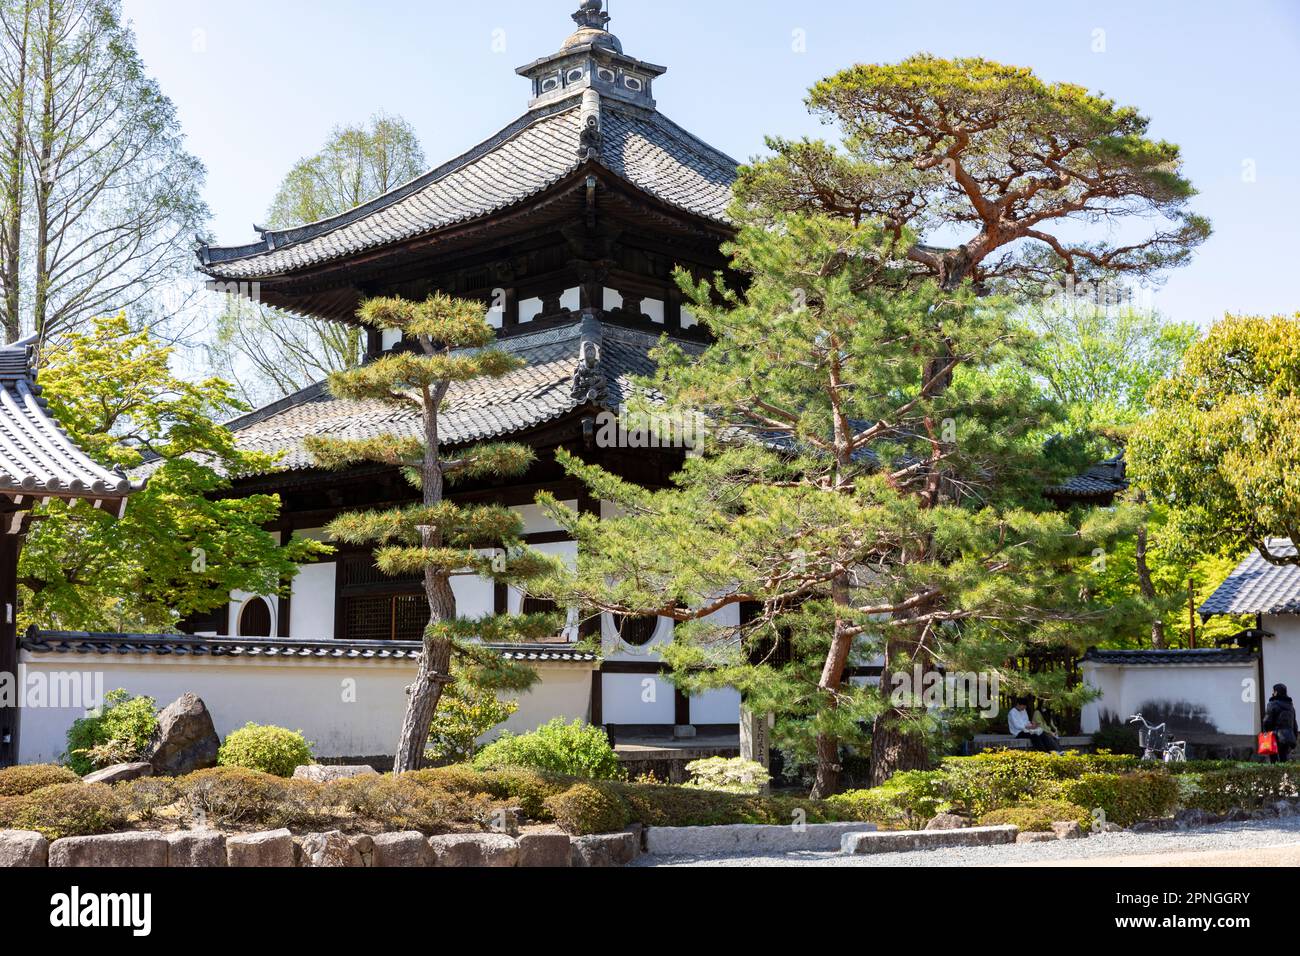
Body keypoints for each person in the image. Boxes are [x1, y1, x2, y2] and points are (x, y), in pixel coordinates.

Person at [1263, 683, 1298, 764]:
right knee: (1283, 759)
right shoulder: (1291, 707)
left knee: (1273, 760)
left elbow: (1267, 721)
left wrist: (1266, 733)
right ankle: (1284, 775)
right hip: (1288, 737)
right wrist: (1294, 737)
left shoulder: (1272, 704)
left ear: (1276, 692)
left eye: (1274, 691)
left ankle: (1275, 775)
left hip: (1274, 736)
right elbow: (1294, 725)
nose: (1272, 693)